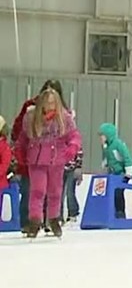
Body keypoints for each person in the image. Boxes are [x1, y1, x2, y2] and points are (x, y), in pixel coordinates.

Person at [15, 87, 81, 238]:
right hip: (36, 159)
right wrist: (19, 152)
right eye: (47, 103)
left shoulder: (64, 118)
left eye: (53, 103)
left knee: (55, 192)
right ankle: (35, 221)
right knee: (37, 191)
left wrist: (72, 148)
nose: (50, 106)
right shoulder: (31, 117)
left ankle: (53, 218)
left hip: (56, 159)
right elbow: (23, 138)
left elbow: (74, 135)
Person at [98, 123, 132, 219]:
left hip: (123, 173)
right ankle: (113, 213)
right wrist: (105, 165)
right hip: (114, 173)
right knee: (112, 193)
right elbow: (108, 158)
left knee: (118, 192)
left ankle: (120, 214)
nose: (100, 138)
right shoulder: (106, 147)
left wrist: (129, 173)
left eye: (102, 136)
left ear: (108, 135)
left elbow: (126, 157)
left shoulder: (118, 144)